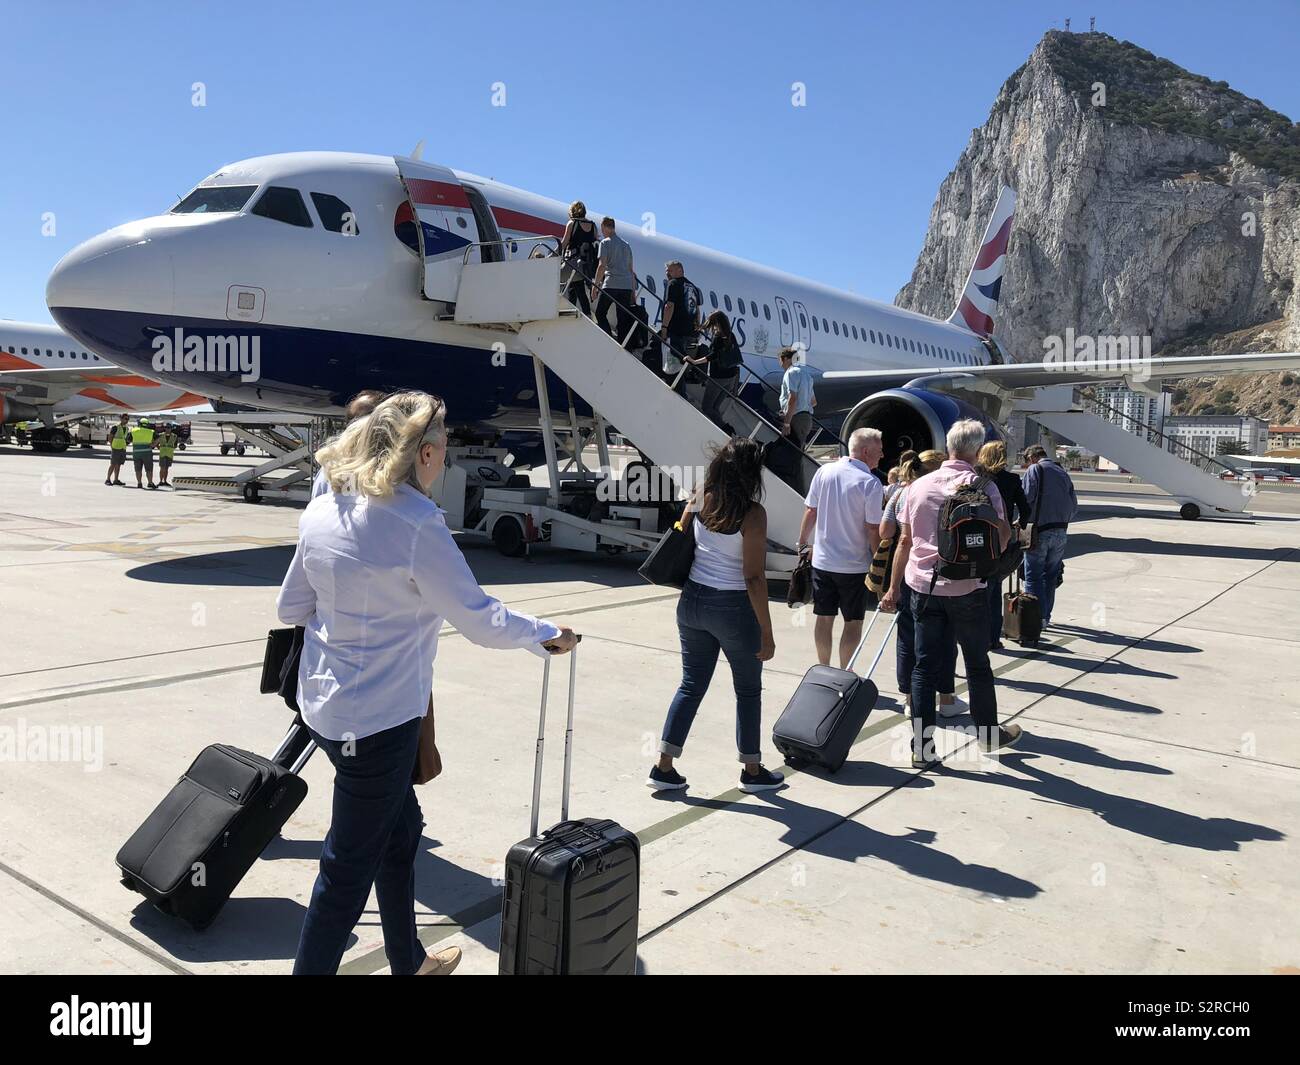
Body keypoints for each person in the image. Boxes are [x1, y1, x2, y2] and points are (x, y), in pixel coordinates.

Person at [278, 391, 577, 976]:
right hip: (379, 721)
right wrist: (545, 633)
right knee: (343, 876)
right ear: (426, 455)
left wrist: (348, 627)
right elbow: (480, 619)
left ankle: (407, 960)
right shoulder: (416, 523)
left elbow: (293, 607)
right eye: (443, 447)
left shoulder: (323, 509)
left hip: (325, 711)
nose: (445, 459)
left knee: (402, 831)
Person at [881, 419, 1021, 768]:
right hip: (969, 589)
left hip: (924, 587)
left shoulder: (918, 486)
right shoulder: (983, 486)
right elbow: (1002, 538)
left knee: (924, 667)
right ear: (976, 450)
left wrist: (894, 587)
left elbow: (904, 540)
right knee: (977, 663)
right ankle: (989, 736)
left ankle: (922, 749)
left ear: (949, 445)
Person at [650, 437, 784, 794]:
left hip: (692, 600)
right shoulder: (753, 514)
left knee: (691, 685)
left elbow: (682, 535)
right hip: (732, 608)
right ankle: (752, 770)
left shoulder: (700, 493)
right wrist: (767, 633)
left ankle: (663, 765)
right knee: (748, 690)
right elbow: (754, 577)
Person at [879, 449, 969, 718]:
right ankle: (947, 698)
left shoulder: (900, 493)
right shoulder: (947, 492)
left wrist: (892, 586)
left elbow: (887, 533)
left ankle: (909, 698)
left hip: (909, 573)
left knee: (908, 639)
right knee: (944, 639)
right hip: (943, 575)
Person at [796, 428, 884, 668]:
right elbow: (872, 529)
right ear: (865, 452)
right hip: (854, 565)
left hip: (823, 562)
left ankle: (823, 668)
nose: (882, 455)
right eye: (879, 451)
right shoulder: (870, 483)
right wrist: (879, 561)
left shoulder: (824, 471)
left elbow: (810, 511)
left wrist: (803, 543)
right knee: (853, 622)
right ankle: (845, 671)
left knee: (823, 618)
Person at [977, 440, 1030, 649]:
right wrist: (1019, 525)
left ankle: (974, 634)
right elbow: (1026, 511)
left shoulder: (977, 479)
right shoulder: (1012, 480)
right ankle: (992, 637)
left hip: (977, 539)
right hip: (1001, 539)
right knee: (995, 586)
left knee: (975, 589)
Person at [1021, 443, 1078, 630]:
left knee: (1033, 576)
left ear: (1031, 458)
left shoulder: (1035, 470)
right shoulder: (1062, 472)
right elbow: (1073, 506)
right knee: (1051, 576)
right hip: (1061, 531)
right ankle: (1046, 616)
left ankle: (1035, 618)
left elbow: (1026, 499)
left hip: (1040, 531)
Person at [311, 390, 388, 499]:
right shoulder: (330, 471)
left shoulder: (331, 470)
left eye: (368, 418)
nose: (360, 426)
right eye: (354, 420)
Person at [689, 311, 744, 432]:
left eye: (713, 324)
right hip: (731, 377)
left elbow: (712, 356)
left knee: (707, 407)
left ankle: (726, 429)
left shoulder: (718, 339)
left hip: (718, 378)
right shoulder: (731, 336)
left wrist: (694, 361)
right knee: (715, 407)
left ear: (717, 324)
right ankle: (719, 429)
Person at [591, 216, 636, 346]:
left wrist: (595, 286)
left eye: (602, 228)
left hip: (611, 284)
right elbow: (631, 271)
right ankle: (623, 346)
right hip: (626, 287)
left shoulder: (605, 243)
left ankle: (609, 339)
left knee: (600, 313)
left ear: (605, 226)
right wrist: (632, 293)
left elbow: (602, 265)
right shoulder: (626, 246)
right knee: (622, 319)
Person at [659, 260, 702, 379]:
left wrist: (664, 327)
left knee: (672, 364)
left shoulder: (673, 283)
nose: (668, 273)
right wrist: (697, 327)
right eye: (666, 271)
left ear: (680, 270)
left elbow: (669, 306)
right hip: (690, 332)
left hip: (676, 331)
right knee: (681, 365)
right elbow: (697, 310)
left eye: (670, 271)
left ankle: (676, 388)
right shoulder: (693, 287)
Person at [559, 201, 598, 316]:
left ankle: (584, 313)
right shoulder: (593, 225)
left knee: (576, 288)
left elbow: (564, 242)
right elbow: (595, 242)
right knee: (575, 288)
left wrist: (552, 254)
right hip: (586, 264)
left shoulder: (572, 223)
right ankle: (581, 313)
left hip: (573, 261)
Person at [778, 346, 817, 449]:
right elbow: (813, 402)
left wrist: (786, 423)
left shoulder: (790, 373)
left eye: (780, 360)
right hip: (807, 419)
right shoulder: (807, 376)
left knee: (790, 452)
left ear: (786, 359)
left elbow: (793, 399)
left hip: (796, 419)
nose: (780, 364)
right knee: (799, 451)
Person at [129, 417, 157, 489]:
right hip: (147, 452)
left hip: (136, 453)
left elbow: (128, 439)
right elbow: (159, 437)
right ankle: (150, 482)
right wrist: (153, 444)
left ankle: (139, 483)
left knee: (138, 469)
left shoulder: (133, 430)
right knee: (149, 469)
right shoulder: (151, 431)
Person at [105, 413, 129, 486]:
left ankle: (116, 479)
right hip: (115, 448)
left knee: (118, 465)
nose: (126, 420)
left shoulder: (127, 428)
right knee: (113, 464)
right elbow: (110, 437)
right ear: (121, 419)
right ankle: (108, 479)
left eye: (127, 419)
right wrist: (112, 446)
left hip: (122, 448)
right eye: (125, 419)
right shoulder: (116, 427)